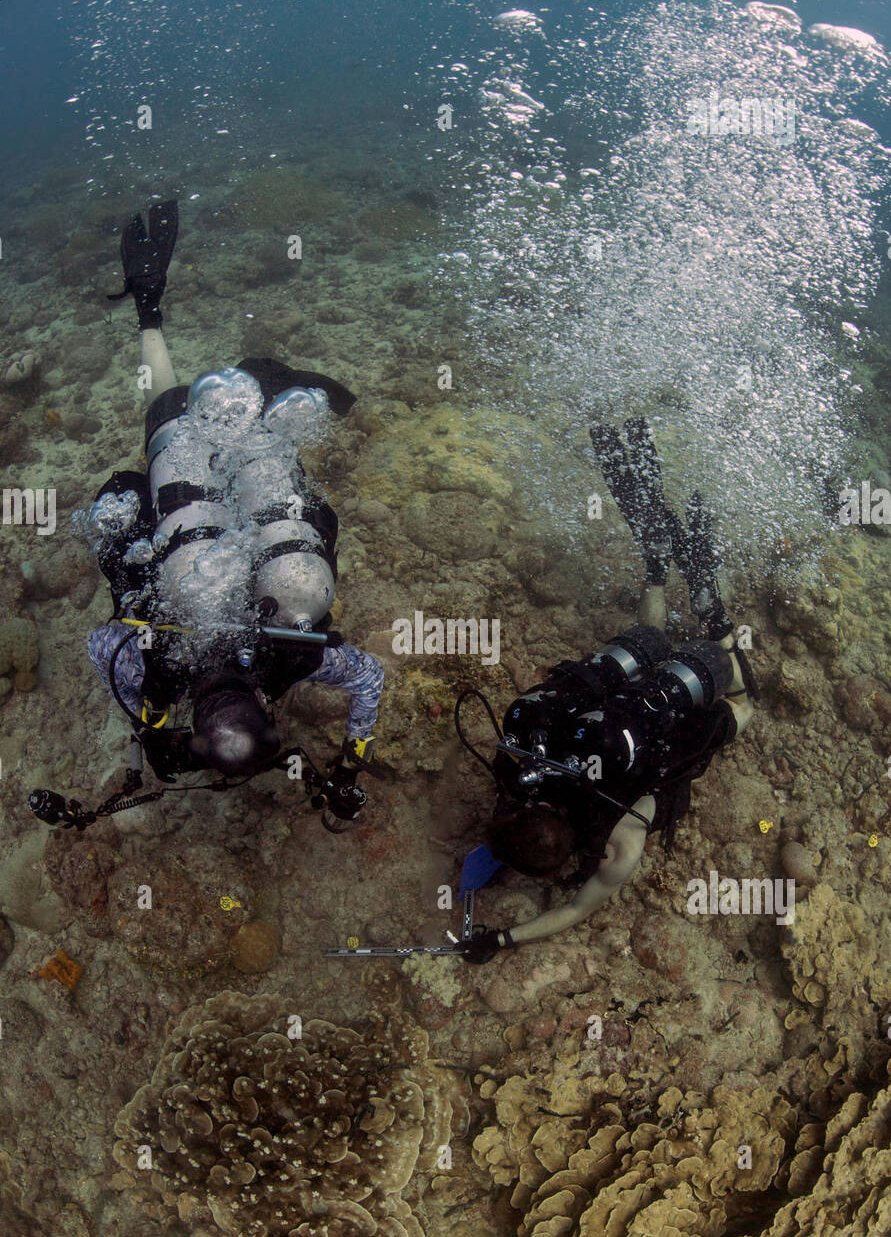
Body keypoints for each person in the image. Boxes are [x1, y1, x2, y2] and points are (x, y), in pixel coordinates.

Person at [78, 200, 383, 820]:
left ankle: (264, 398)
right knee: (169, 411)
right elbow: (98, 643)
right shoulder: (156, 662)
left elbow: (369, 676)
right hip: (181, 488)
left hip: (241, 499)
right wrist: (152, 712)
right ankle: (150, 306)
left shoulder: (294, 653)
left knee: (264, 460)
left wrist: (148, 733)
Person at [457, 417, 755, 961]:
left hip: (652, 725)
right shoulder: (522, 765)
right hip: (610, 711)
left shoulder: (618, 845)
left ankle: (714, 626)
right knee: (654, 639)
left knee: (744, 701)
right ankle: (659, 571)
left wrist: (502, 939)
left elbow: (575, 911)